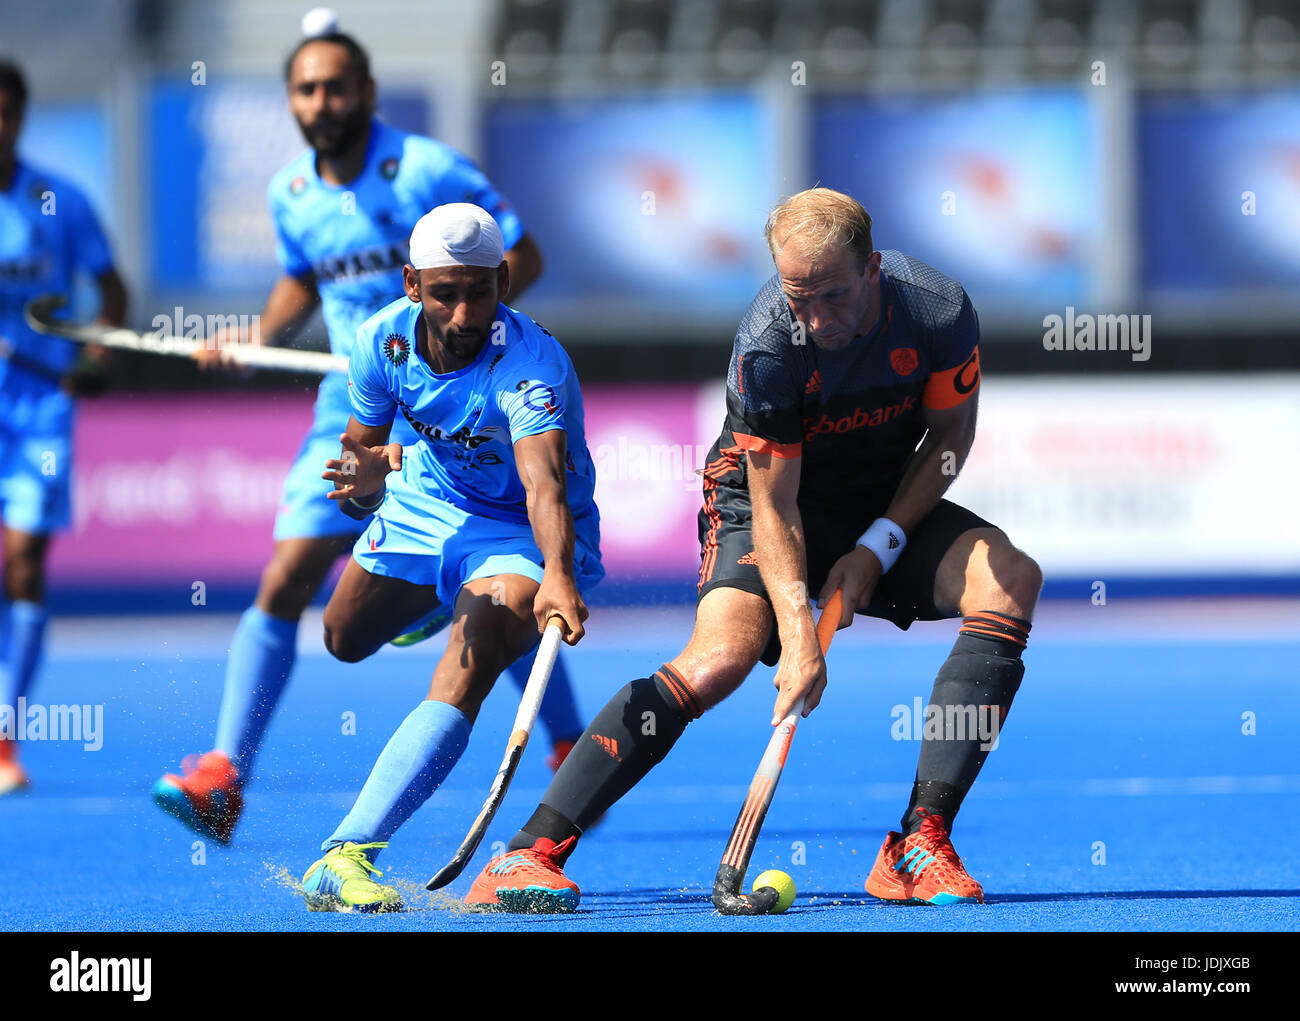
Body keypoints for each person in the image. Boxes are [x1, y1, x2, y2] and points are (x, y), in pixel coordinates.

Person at [465, 187, 1043, 913]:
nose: (817, 319)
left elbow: (951, 440)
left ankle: (918, 843)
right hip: (761, 503)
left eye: (833, 295)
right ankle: (528, 851)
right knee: (721, 660)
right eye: (800, 298)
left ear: (873, 270)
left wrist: (876, 547)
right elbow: (774, 506)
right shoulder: (769, 344)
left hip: (882, 500)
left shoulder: (936, 309)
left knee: (1011, 577)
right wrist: (799, 633)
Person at [152, 26, 587, 845]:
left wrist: (476, 346)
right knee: (291, 579)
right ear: (292, 101)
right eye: (307, 90)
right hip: (358, 395)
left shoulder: (426, 170)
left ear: (368, 92)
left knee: (505, 568)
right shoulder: (289, 193)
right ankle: (223, 775)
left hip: (467, 401)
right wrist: (251, 338)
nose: (323, 103)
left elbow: (520, 255)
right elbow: (301, 280)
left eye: (337, 87)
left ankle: (566, 741)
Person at [298, 202, 600, 912]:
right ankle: (445, 594)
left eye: (480, 290)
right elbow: (359, 467)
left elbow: (543, 485)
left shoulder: (530, 368)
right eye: (444, 293)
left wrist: (557, 573)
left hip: (517, 528)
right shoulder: (381, 343)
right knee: (343, 638)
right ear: (410, 283)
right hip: (424, 501)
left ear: (503, 278)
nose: (465, 314)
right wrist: (367, 489)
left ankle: (346, 853)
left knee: (486, 631)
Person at [0, 60, 128, 793]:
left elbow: (113, 289)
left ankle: (5, 737)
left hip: (40, 410)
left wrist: (95, 352)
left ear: (19, 117)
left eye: (5, 113)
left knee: (23, 562)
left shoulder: (59, 201)